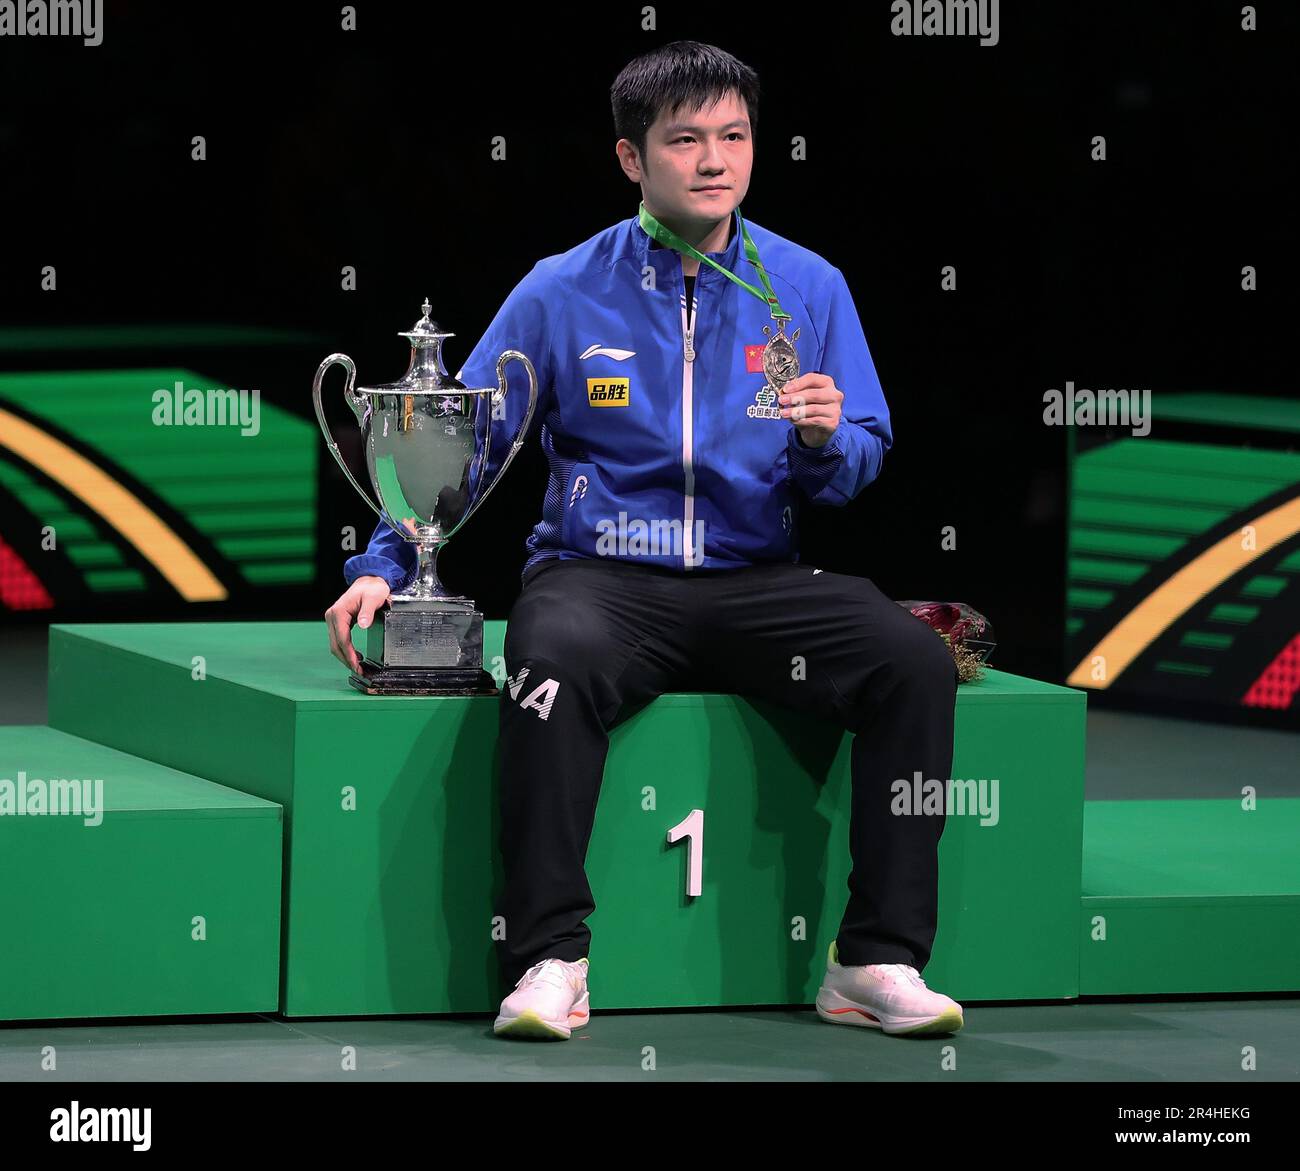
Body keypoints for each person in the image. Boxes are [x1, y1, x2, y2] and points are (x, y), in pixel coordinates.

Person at [325, 40, 963, 1041]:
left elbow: (858, 460)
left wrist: (821, 437)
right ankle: (549, 959)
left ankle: (873, 959)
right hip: (601, 581)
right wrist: (383, 561)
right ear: (632, 159)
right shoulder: (561, 288)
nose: (714, 160)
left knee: (912, 661)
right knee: (549, 657)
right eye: (684, 141)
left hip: (758, 581)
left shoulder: (808, 284)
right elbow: (467, 439)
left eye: (733, 137)